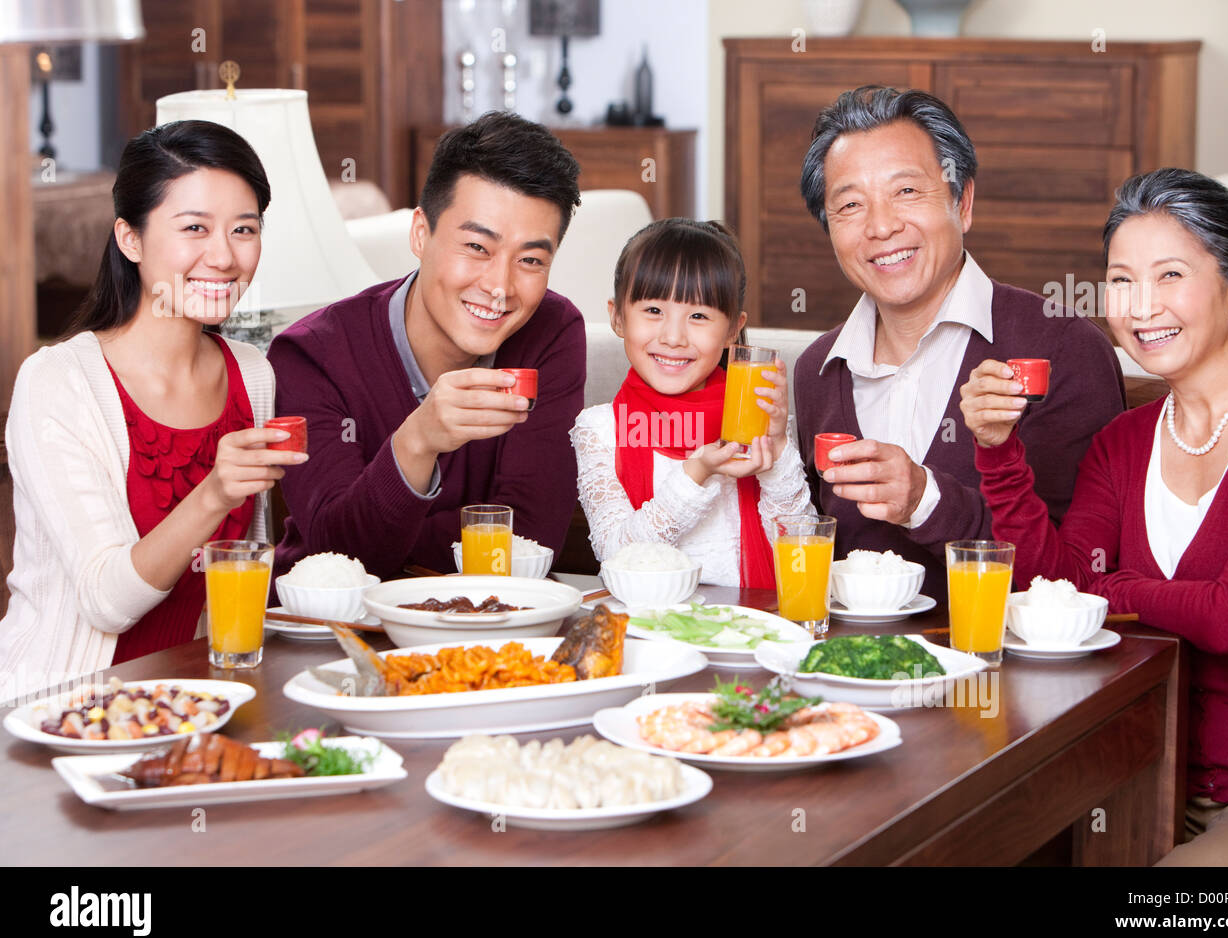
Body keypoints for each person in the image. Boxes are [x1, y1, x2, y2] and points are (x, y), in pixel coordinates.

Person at [960, 167, 1228, 865]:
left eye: (1170, 275)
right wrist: (997, 454)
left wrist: (1107, 591)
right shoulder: (1124, 441)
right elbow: (1053, 587)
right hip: (1134, 770)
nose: (1142, 306)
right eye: (1121, 280)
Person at [0, 120, 299, 701]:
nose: (223, 256)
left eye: (244, 229)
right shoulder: (58, 382)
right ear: (130, 239)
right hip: (58, 709)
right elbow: (106, 601)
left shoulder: (252, 373)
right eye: (194, 228)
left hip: (198, 704)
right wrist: (214, 492)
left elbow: (241, 580)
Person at [792, 86, 1126, 598]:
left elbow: (1072, 581)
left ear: (962, 202)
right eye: (851, 204)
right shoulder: (817, 370)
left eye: (907, 192)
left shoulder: (1061, 348)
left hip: (999, 670)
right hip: (844, 669)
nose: (881, 226)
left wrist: (926, 500)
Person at [268, 112, 584, 581]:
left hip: (489, 626)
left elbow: (531, 542)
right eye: (477, 247)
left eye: (531, 259)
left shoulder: (551, 332)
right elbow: (338, 559)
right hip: (330, 634)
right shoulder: (312, 357)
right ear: (421, 233)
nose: (500, 286)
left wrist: (389, 537)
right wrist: (417, 442)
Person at [570, 219, 813, 586]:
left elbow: (801, 556)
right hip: (650, 632)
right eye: (653, 310)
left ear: (733, 329)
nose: (672, 337)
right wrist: (696, 473)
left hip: (750, 628)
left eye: (698, 316)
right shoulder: (601, 430)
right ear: (617, 317)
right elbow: (617, 557)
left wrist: (777, 451)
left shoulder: (754, 419)